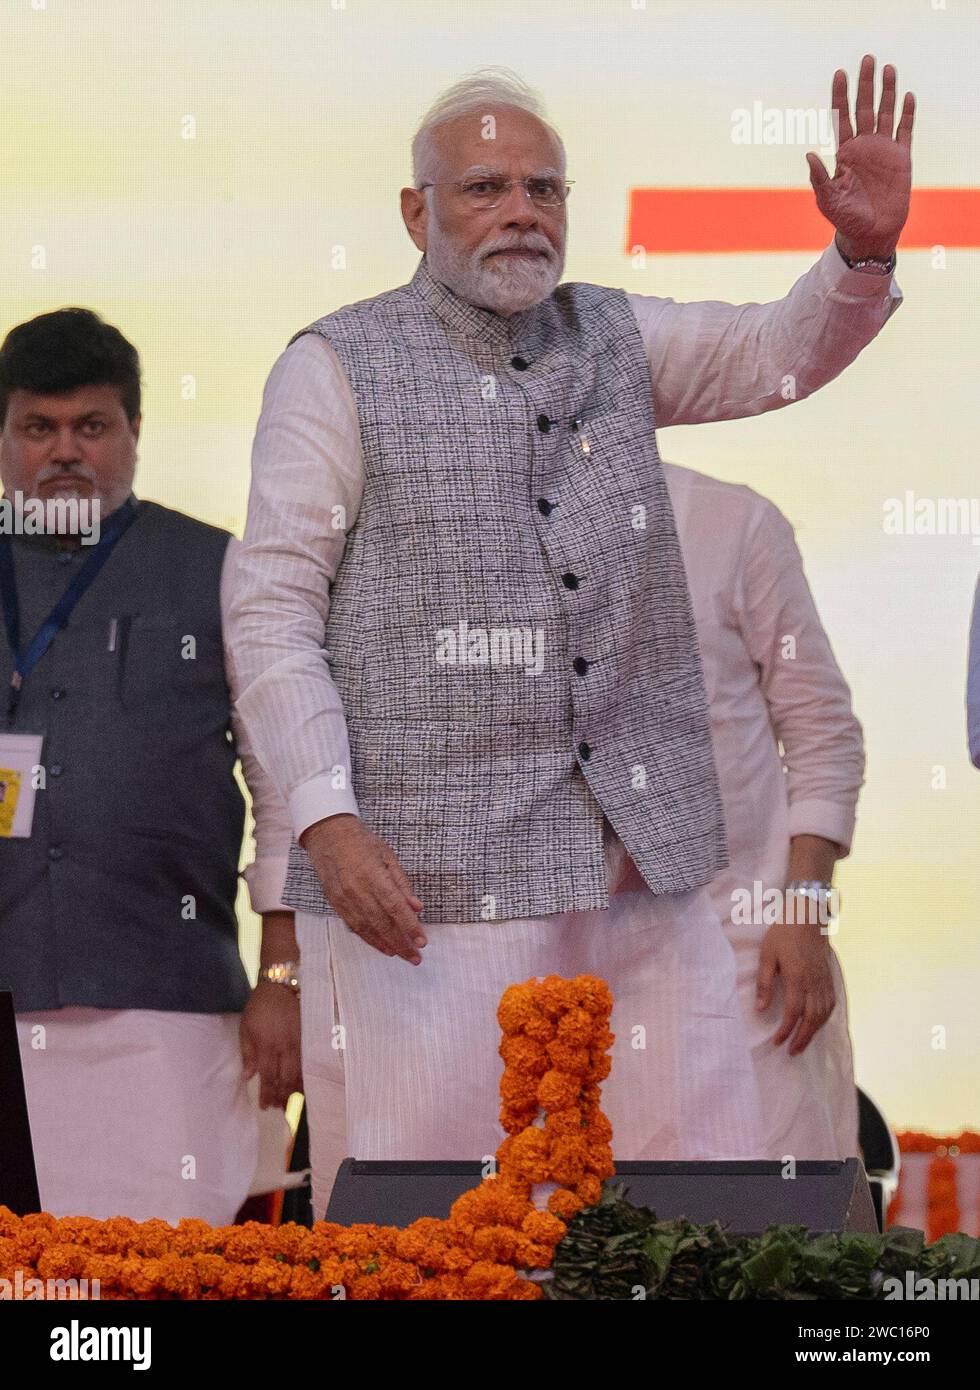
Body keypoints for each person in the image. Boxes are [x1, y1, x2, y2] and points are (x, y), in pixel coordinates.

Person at [228, 59, 913, 1217]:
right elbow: (269, 606)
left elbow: (772, 353)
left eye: (543, 189)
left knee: (677, 1205)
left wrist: (858, 258)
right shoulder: (334, 367)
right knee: (438, 1218)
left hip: (643, 877)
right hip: (427, 888)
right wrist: (325, 817)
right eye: (484, 187)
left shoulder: (612, 332)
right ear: (416, 212)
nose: (519, 213)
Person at [0, 308, 300, 1223]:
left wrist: (281, 979)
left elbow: (285, 786)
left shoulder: (221, 571)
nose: (65, 451)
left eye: (92, 426)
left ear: (135, 433)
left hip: (170, 1004)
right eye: (37, 427)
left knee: (169, 1271)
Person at [662, 460, 865, 1159]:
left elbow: (821, 732)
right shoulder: (473, 537)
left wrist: (805, 905)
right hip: (555, 975)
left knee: (770, 1244)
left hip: (746, 959)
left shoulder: (732, 522)